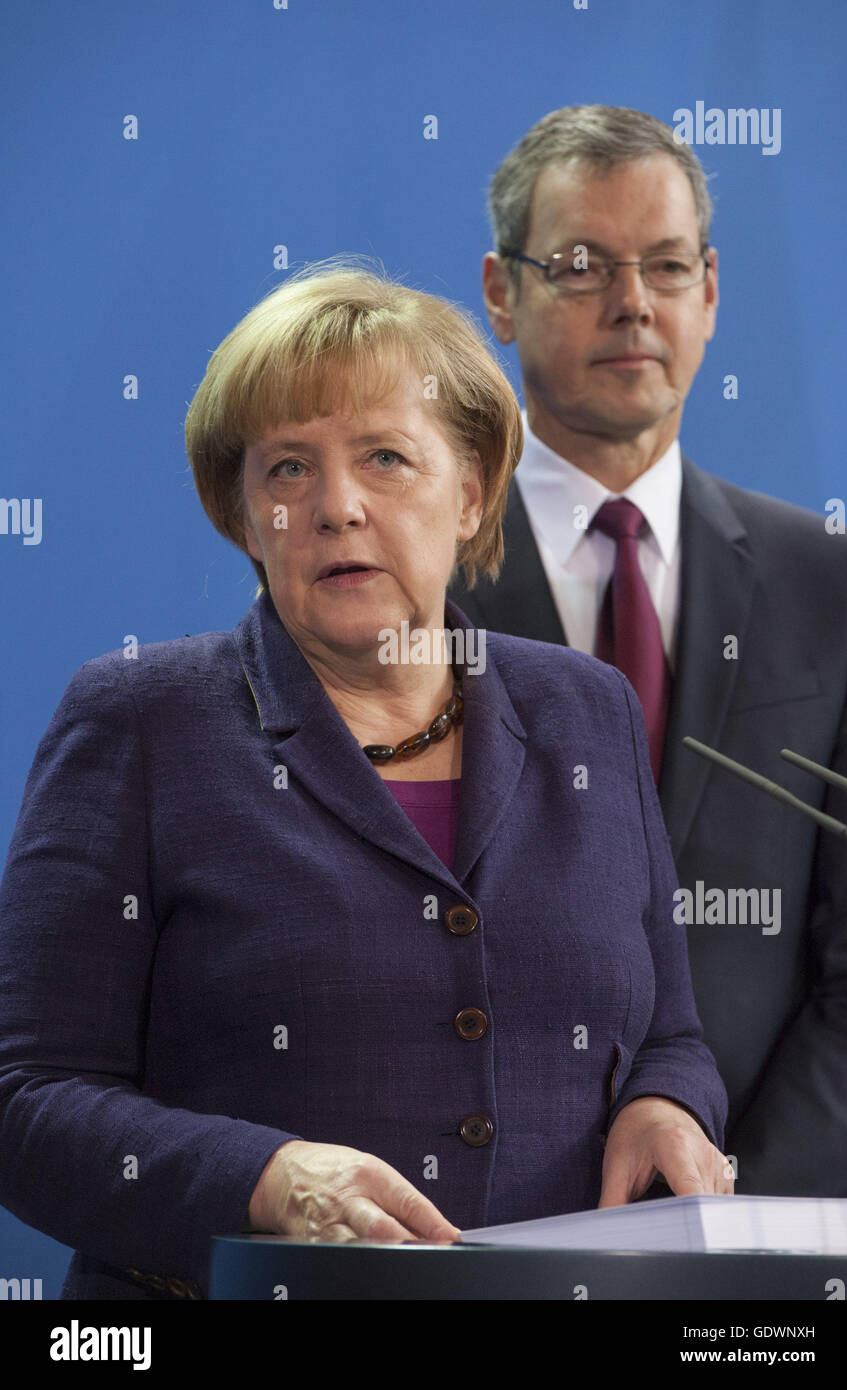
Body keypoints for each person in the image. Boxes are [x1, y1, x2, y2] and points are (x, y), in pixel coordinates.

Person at [0, 263, 729, 1303]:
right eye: (288, 469)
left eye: (385, 457)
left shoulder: (589, 709)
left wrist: (669, 1105)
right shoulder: (138, 721)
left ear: (472, 489)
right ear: (246, 517)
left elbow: (670, 1032)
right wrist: (261, 1179)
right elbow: (27, 1099)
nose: (336, 507)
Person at [447, 105, 847, 1197]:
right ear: (500, 291)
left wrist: (732, 1222)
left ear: (710, 291)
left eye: (667, 266)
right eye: (583, 265)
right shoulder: (407, 582)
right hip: (472, 1230)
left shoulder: (837, 580)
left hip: (763, 1226)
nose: (633, 303)